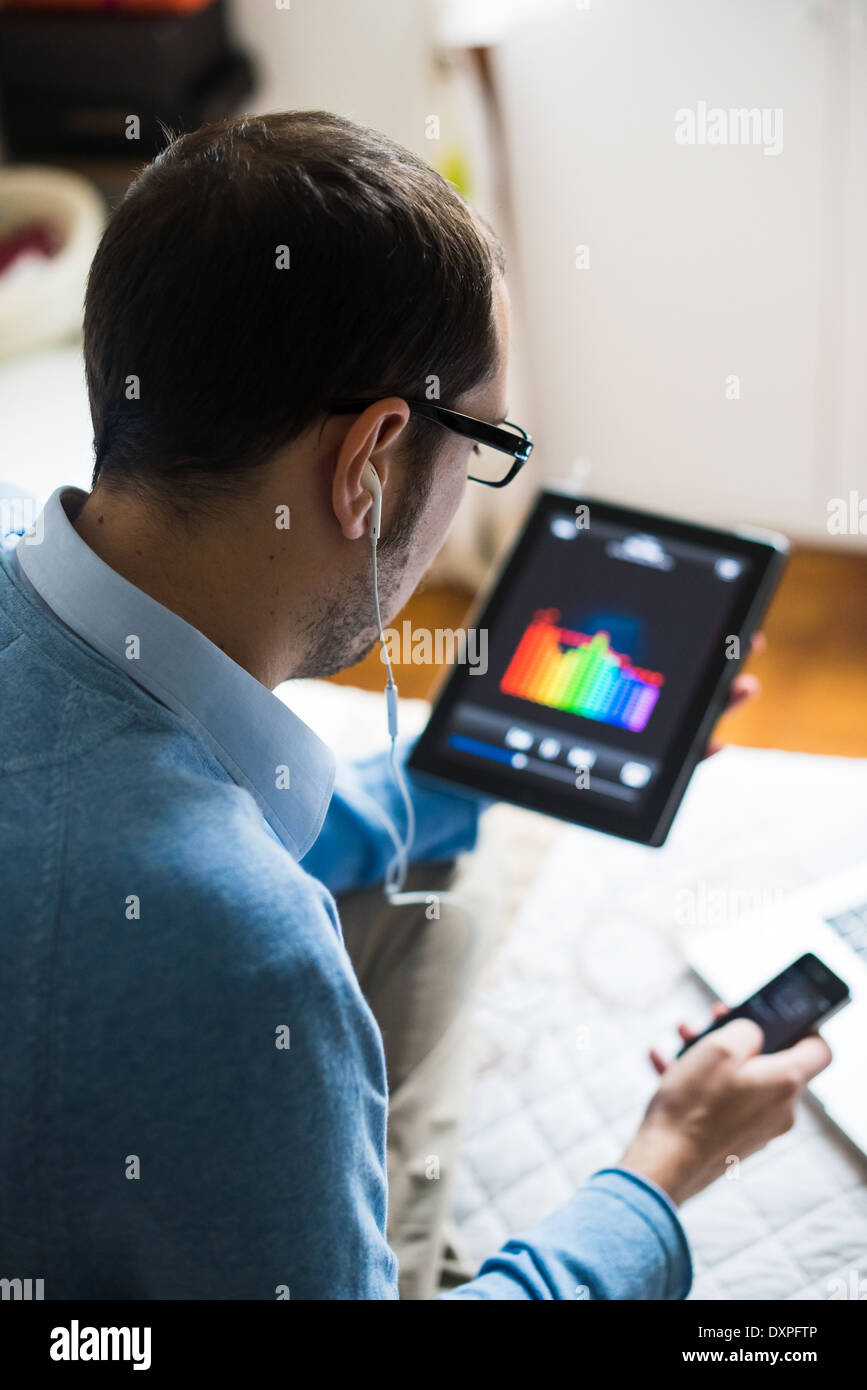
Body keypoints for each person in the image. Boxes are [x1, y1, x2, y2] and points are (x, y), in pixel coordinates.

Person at [0, 111, 831, 1300]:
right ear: (370, 461)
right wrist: (663, 1172)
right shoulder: (247, 953)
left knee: (442, 861)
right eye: (485, 443)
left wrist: (461, 771)